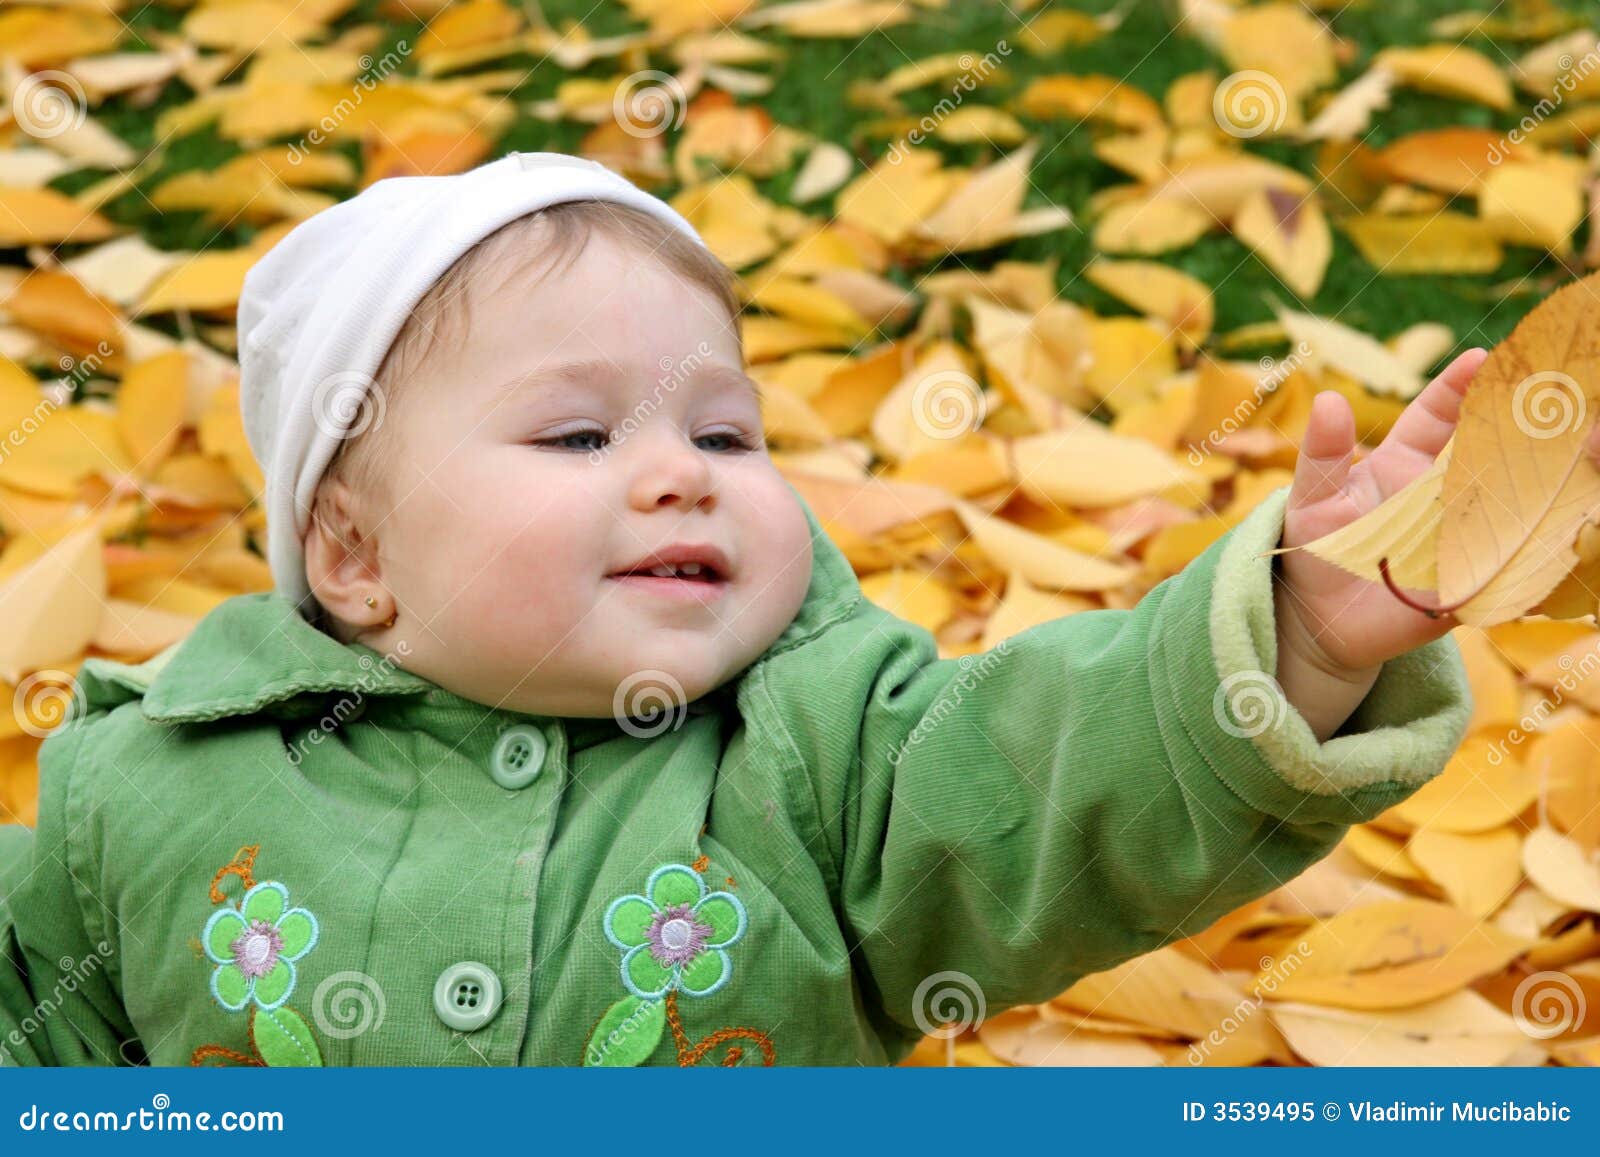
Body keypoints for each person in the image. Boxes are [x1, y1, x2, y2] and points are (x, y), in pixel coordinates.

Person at [0, 152, 1483, 1067]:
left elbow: (1045, 781)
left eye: (725, 435)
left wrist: (1290, 631)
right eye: (580, 438)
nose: (678, 478)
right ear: (353, 554)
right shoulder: (147, 788)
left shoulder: (832, 749)